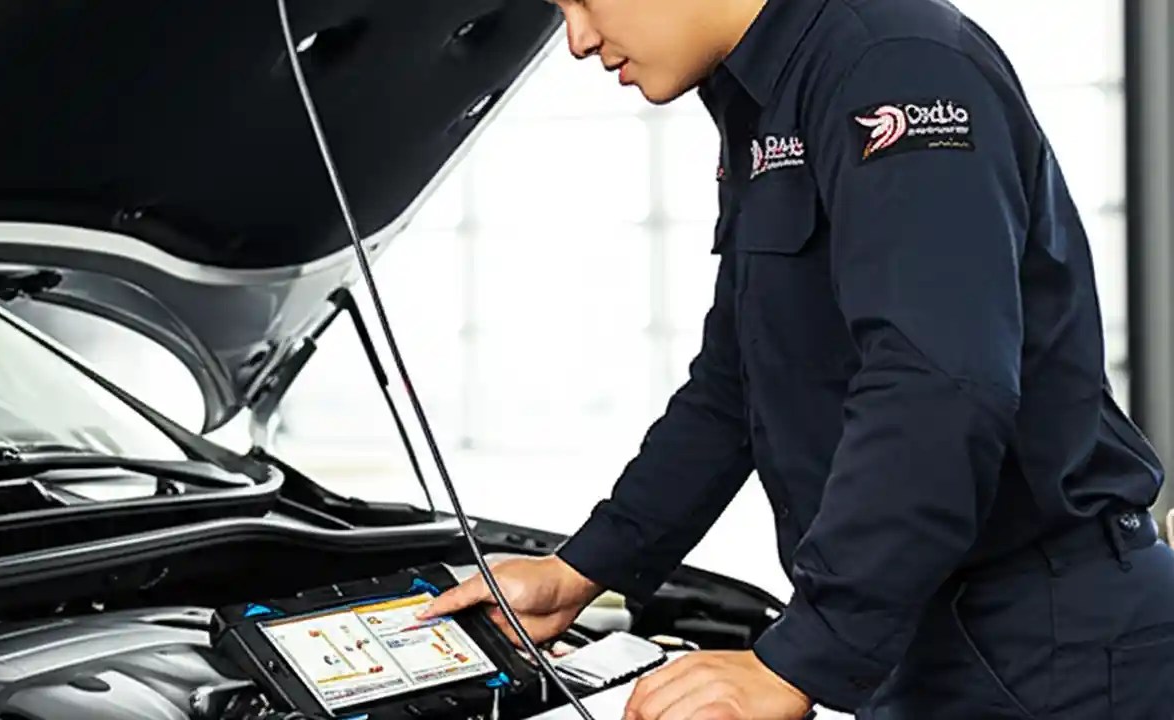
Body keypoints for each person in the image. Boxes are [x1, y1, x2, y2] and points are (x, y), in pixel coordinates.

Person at [417, 0, 1174, 717]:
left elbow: (938, 387)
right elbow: (732, 387)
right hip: (923, 631)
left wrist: (802, 657)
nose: (577, 39)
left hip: (1051, 647)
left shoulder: (893, 67)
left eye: (585, 2)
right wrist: (580, 570)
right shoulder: (764, 97)